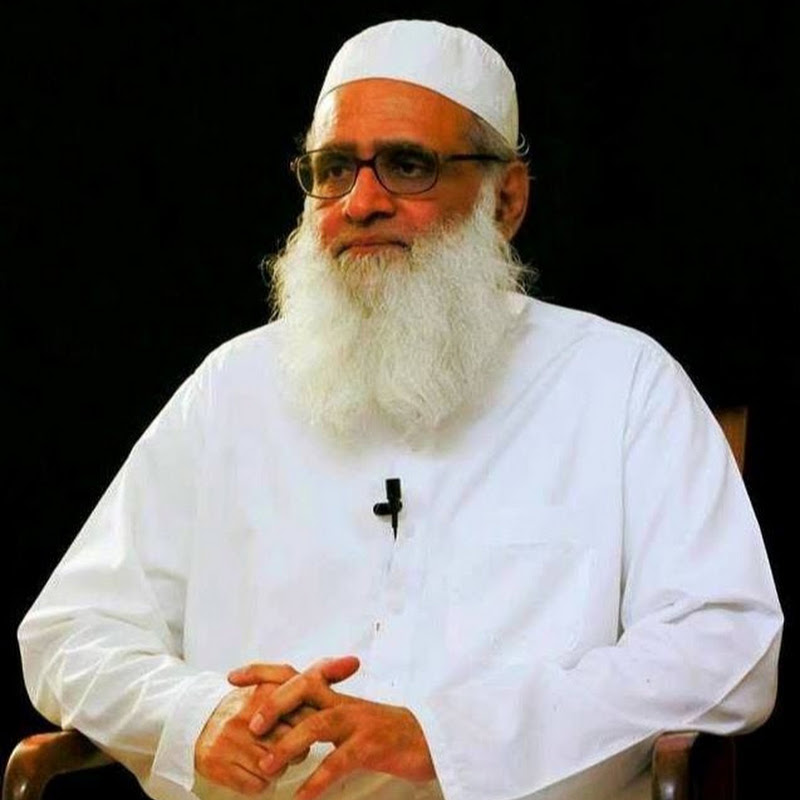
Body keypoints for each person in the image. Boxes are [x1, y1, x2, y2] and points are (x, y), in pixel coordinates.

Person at [18, 18, 782, 800]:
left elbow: (726, 646)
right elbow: (71, 633)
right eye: (333, 169)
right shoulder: (231, 389)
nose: (361, 203)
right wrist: (193, 715)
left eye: (407, 166)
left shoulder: (622, 384)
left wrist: (444, 738)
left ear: (505, 200)